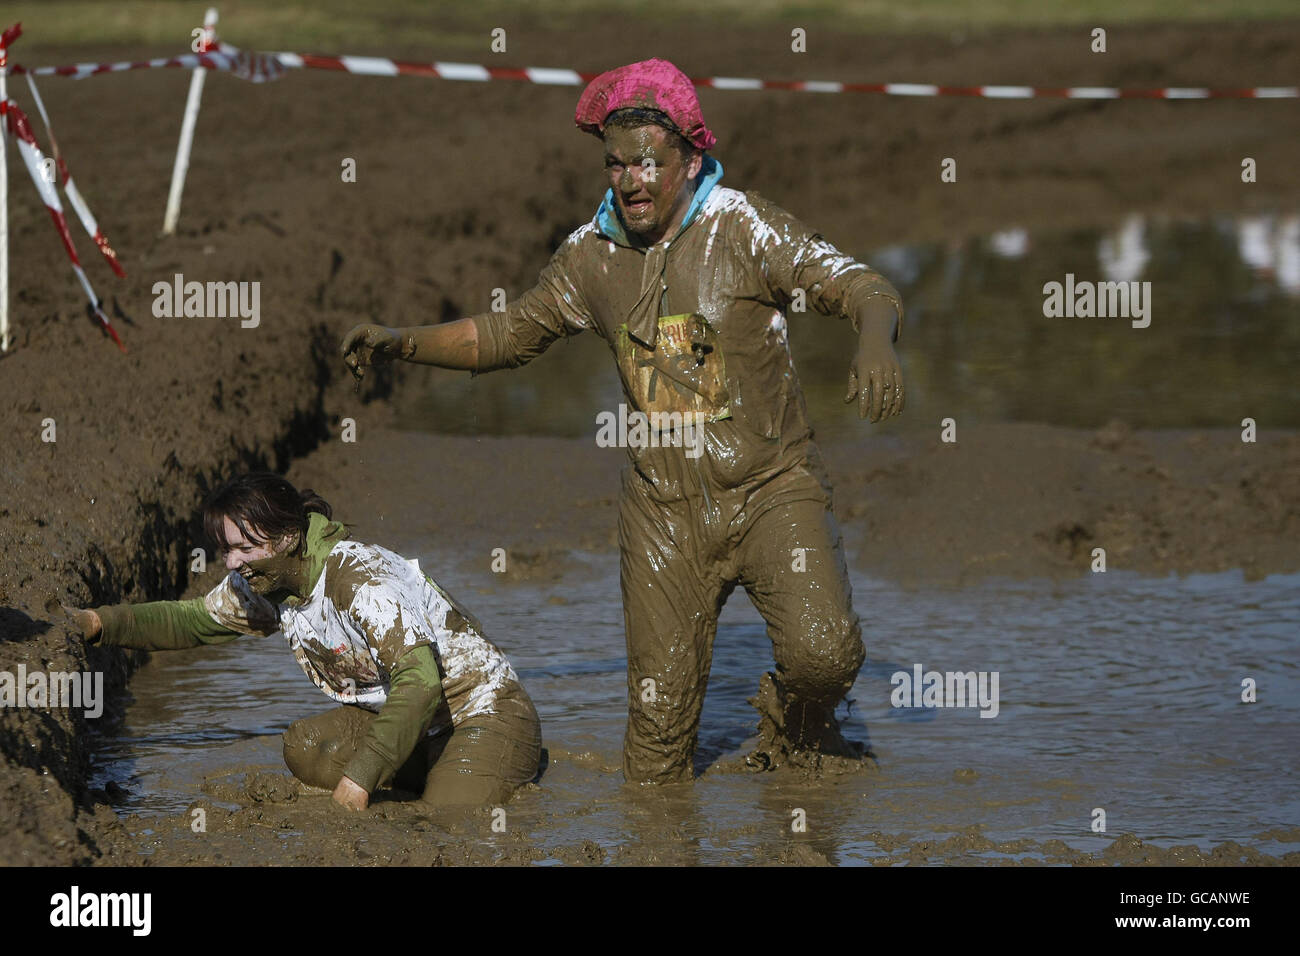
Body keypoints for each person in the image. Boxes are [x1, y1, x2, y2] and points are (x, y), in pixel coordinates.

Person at [341, 58, 905, 784]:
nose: (631, 180)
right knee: (656, 759)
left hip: (770, 489)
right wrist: (402, 342)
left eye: (648, 163)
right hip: (664, 516)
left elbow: (863, 285)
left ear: (690, 157)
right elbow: (510, 335)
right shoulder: (590, 256)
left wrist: (875, 341)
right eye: (616, 164)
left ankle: (798, 729)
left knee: (824, 654)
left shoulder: (742, 226)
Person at [65, 472, 542, 810]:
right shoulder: (271, 582)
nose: (232, 563)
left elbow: (419, 683)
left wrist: (359, 780)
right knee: (307, 747)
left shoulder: (359, 578)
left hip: (480, 714)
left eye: (245, 548)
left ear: (289, 537)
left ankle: (478, 773)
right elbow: (191, 620)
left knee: (450, 820)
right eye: (227, 549)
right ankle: (421, 779)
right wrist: (98, 623)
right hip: (417, 723)